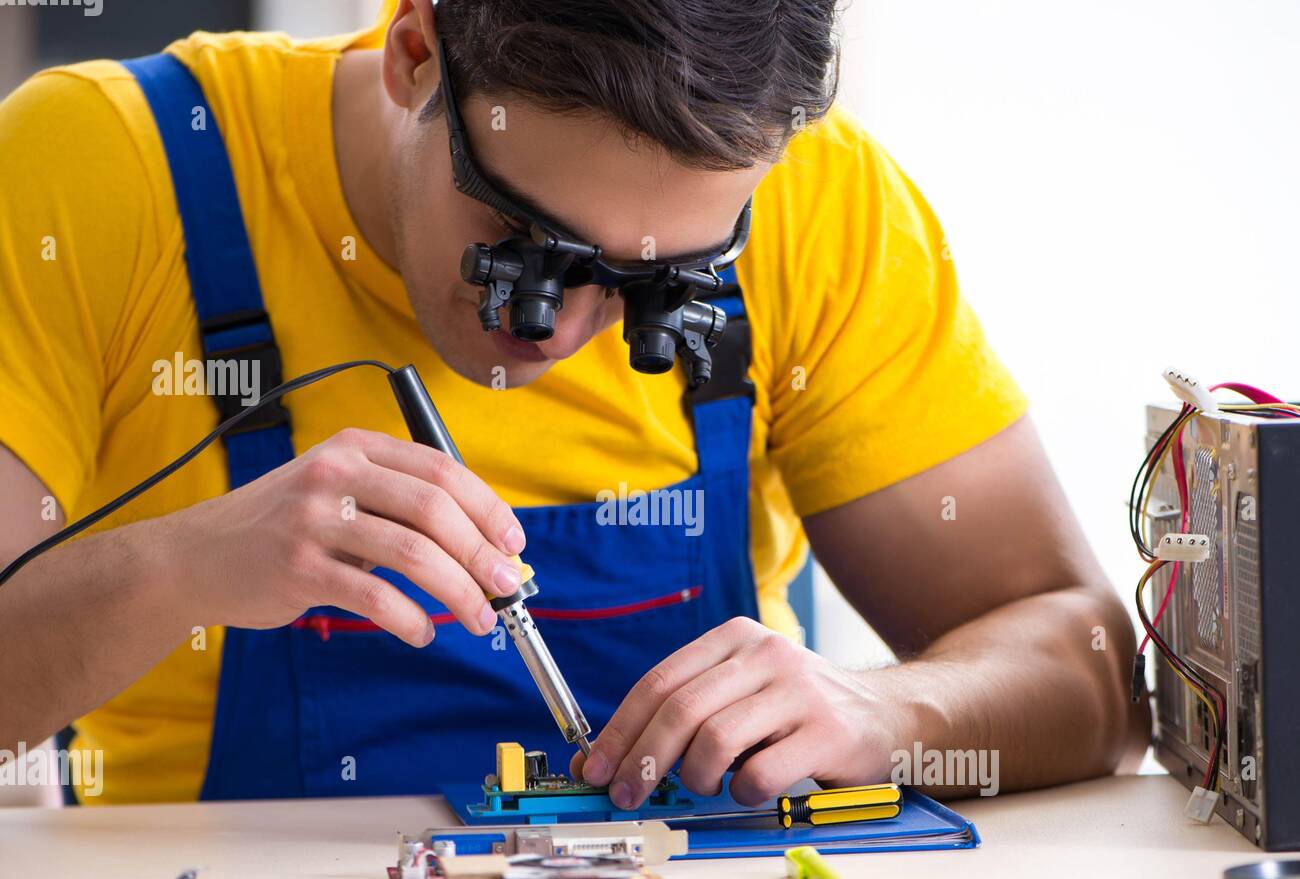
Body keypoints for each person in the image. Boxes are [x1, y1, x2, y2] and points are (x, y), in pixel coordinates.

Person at [0, 0, 1147, 806]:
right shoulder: (109, 168)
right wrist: (182, 568)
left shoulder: (823, 203)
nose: (556, 328)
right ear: (414, 52)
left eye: (656, 286)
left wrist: (895, 713)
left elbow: (1090, 661)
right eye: (523, 249)